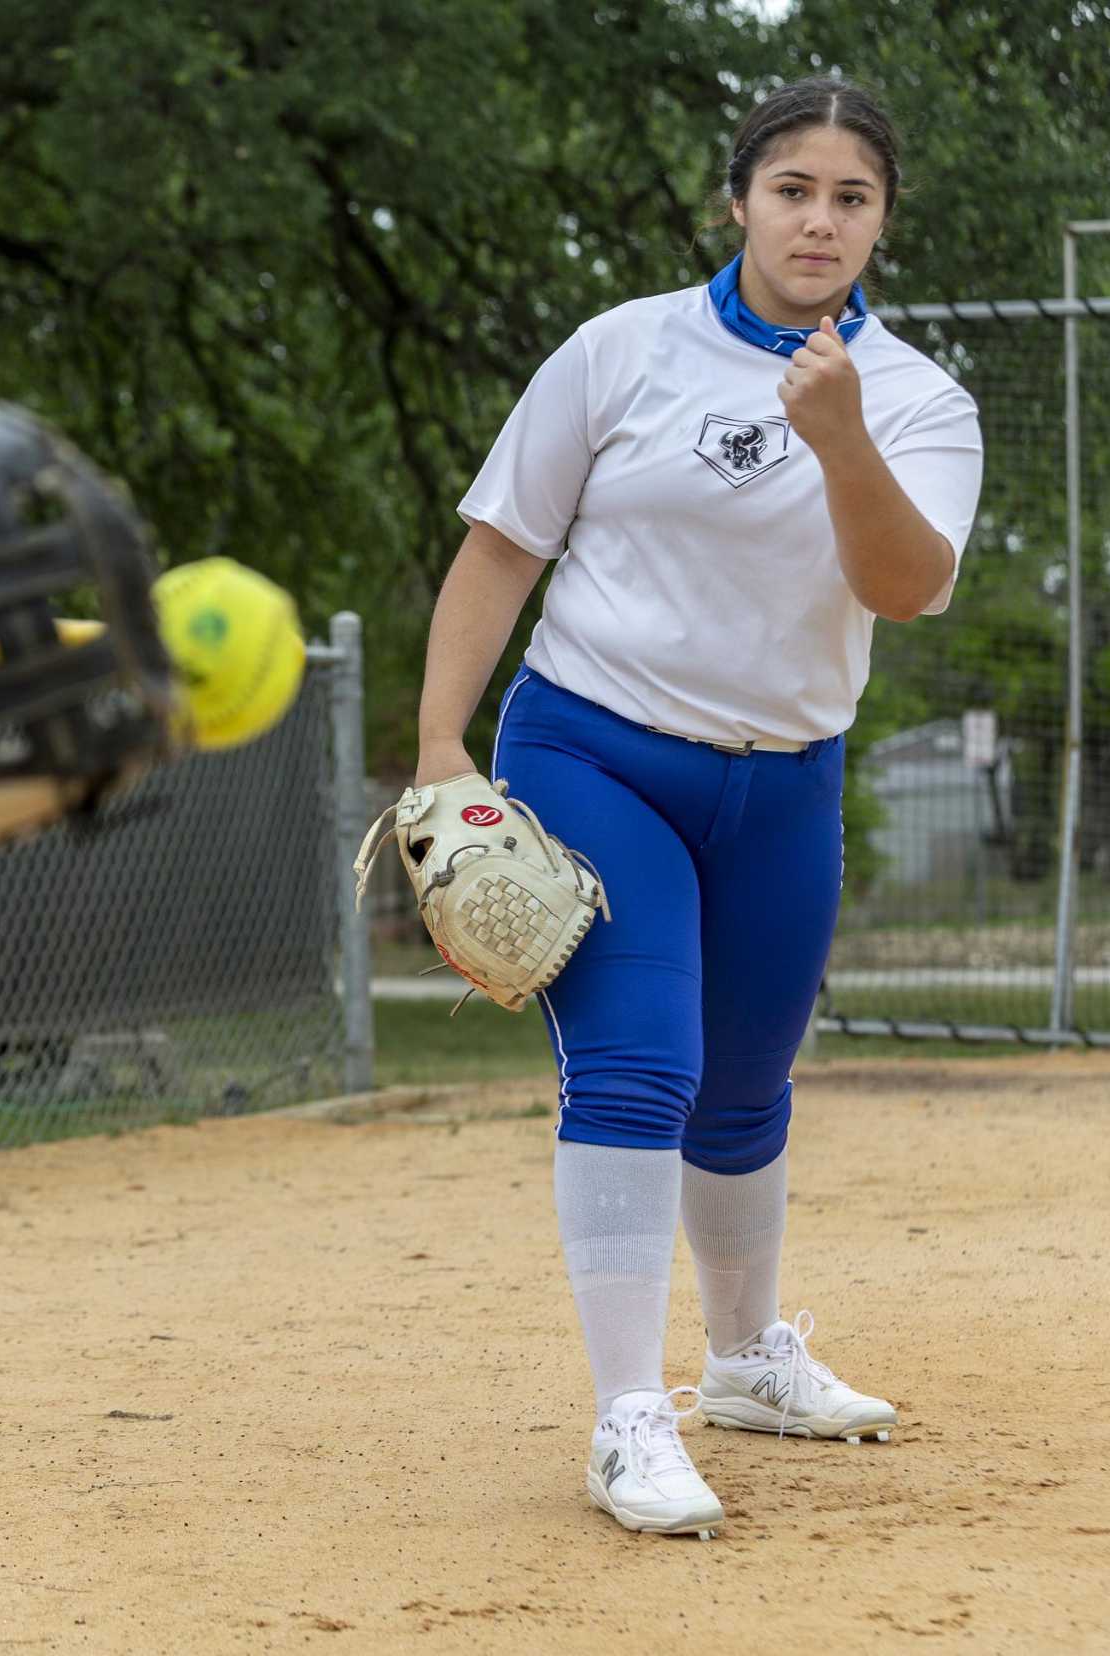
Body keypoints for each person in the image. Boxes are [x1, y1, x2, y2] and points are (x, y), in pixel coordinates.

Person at [414, 77, 983, 1538]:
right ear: (739, 199)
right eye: (793, 187)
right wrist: (437, 750)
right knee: (637, 1064)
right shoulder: (622, 352)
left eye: (852, 198)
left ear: (881, 224)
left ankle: (744, 1363)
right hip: (596, 748)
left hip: (786, 779)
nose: (820, 218)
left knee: (746, 1083)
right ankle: (627, 1420)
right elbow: (499, 552)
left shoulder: (916, 398)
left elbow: (908, 589)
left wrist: (842, 435)